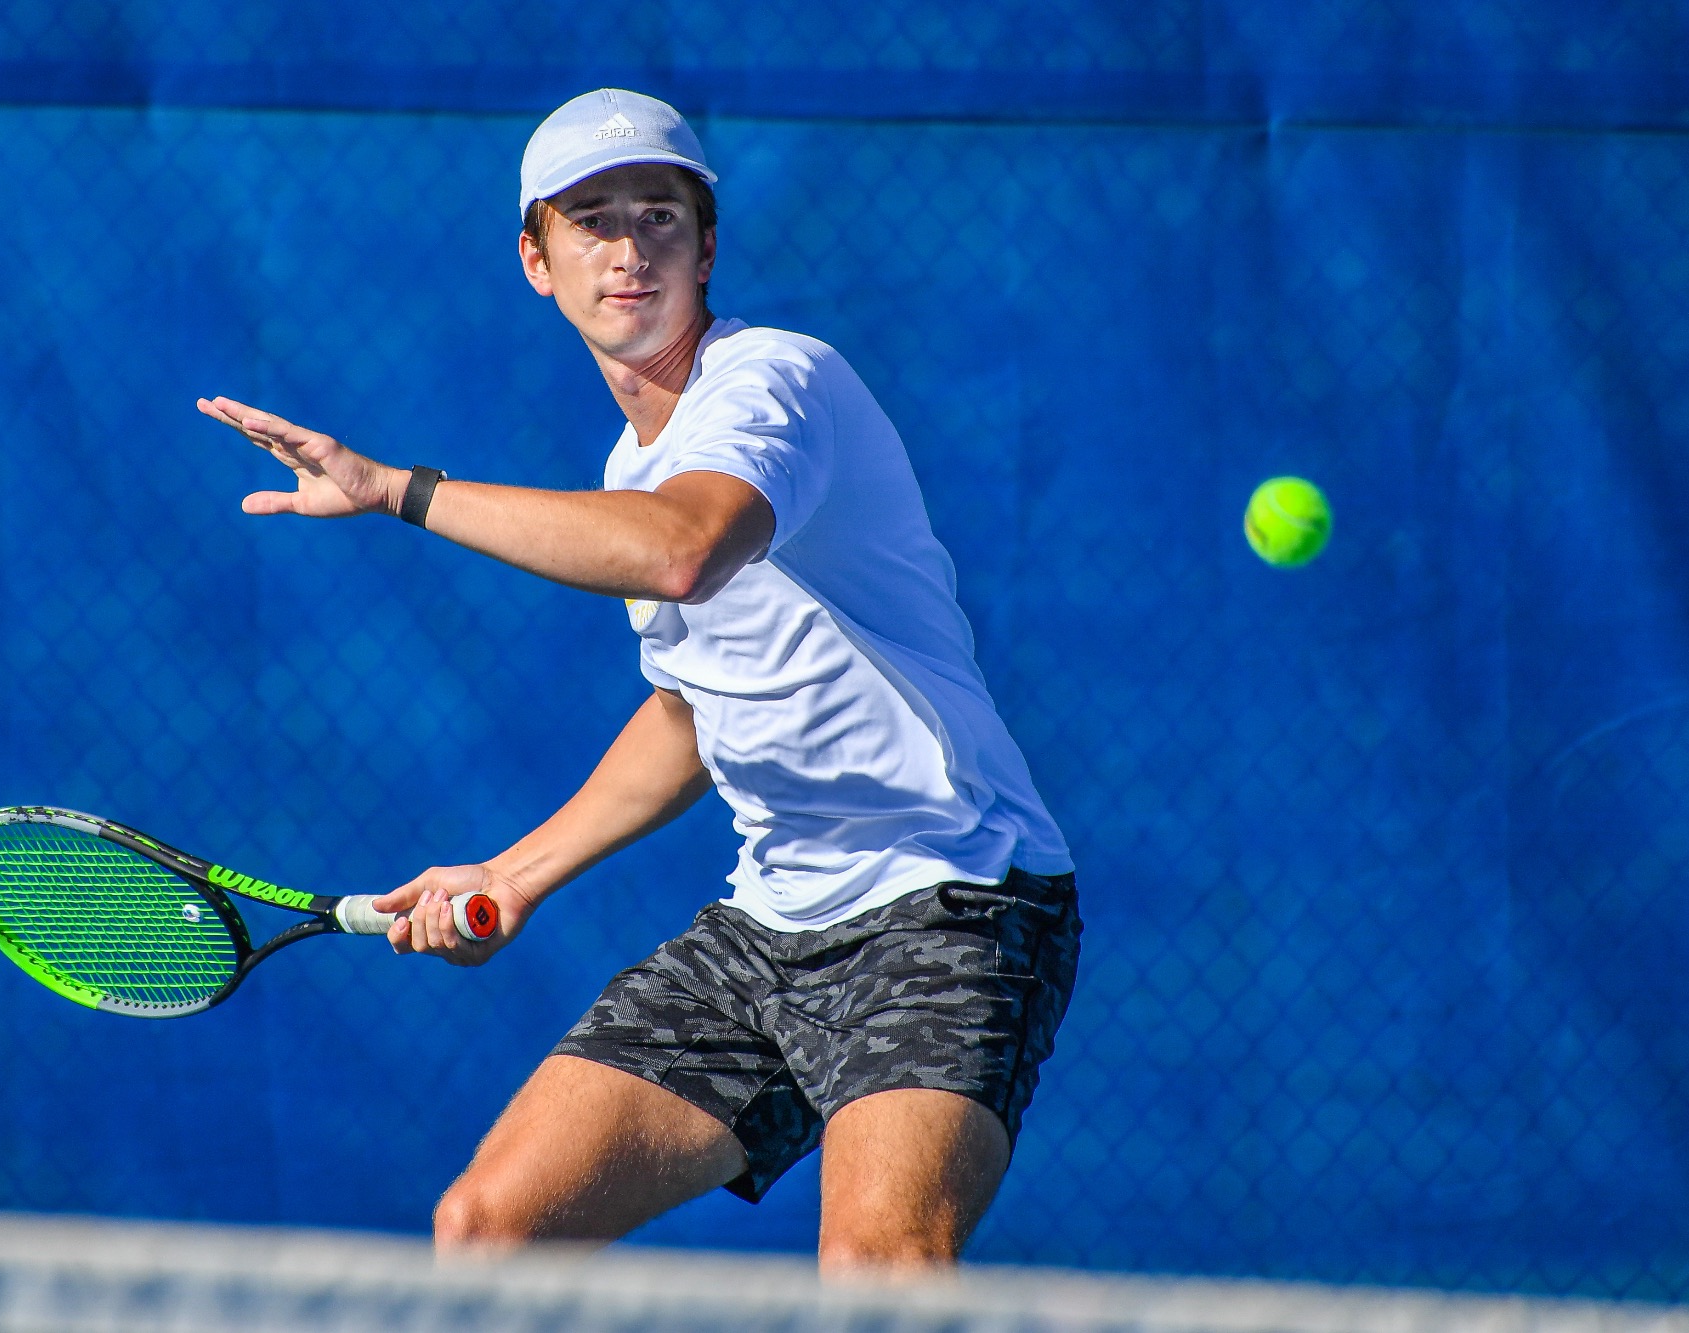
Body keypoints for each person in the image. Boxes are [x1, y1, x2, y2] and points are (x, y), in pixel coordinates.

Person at [197, 88, 1078, 1272]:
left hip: (951, 898)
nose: (626, 249)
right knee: (490, 1229)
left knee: (881, 1275)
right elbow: (689, 713)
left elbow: (679, 546)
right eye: (590, 221)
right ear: (536, 260)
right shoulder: (629, 465)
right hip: (768, 925)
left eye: (658, 216)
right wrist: (511, 878)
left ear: (706, 244)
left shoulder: (772, 382)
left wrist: (391, 487)